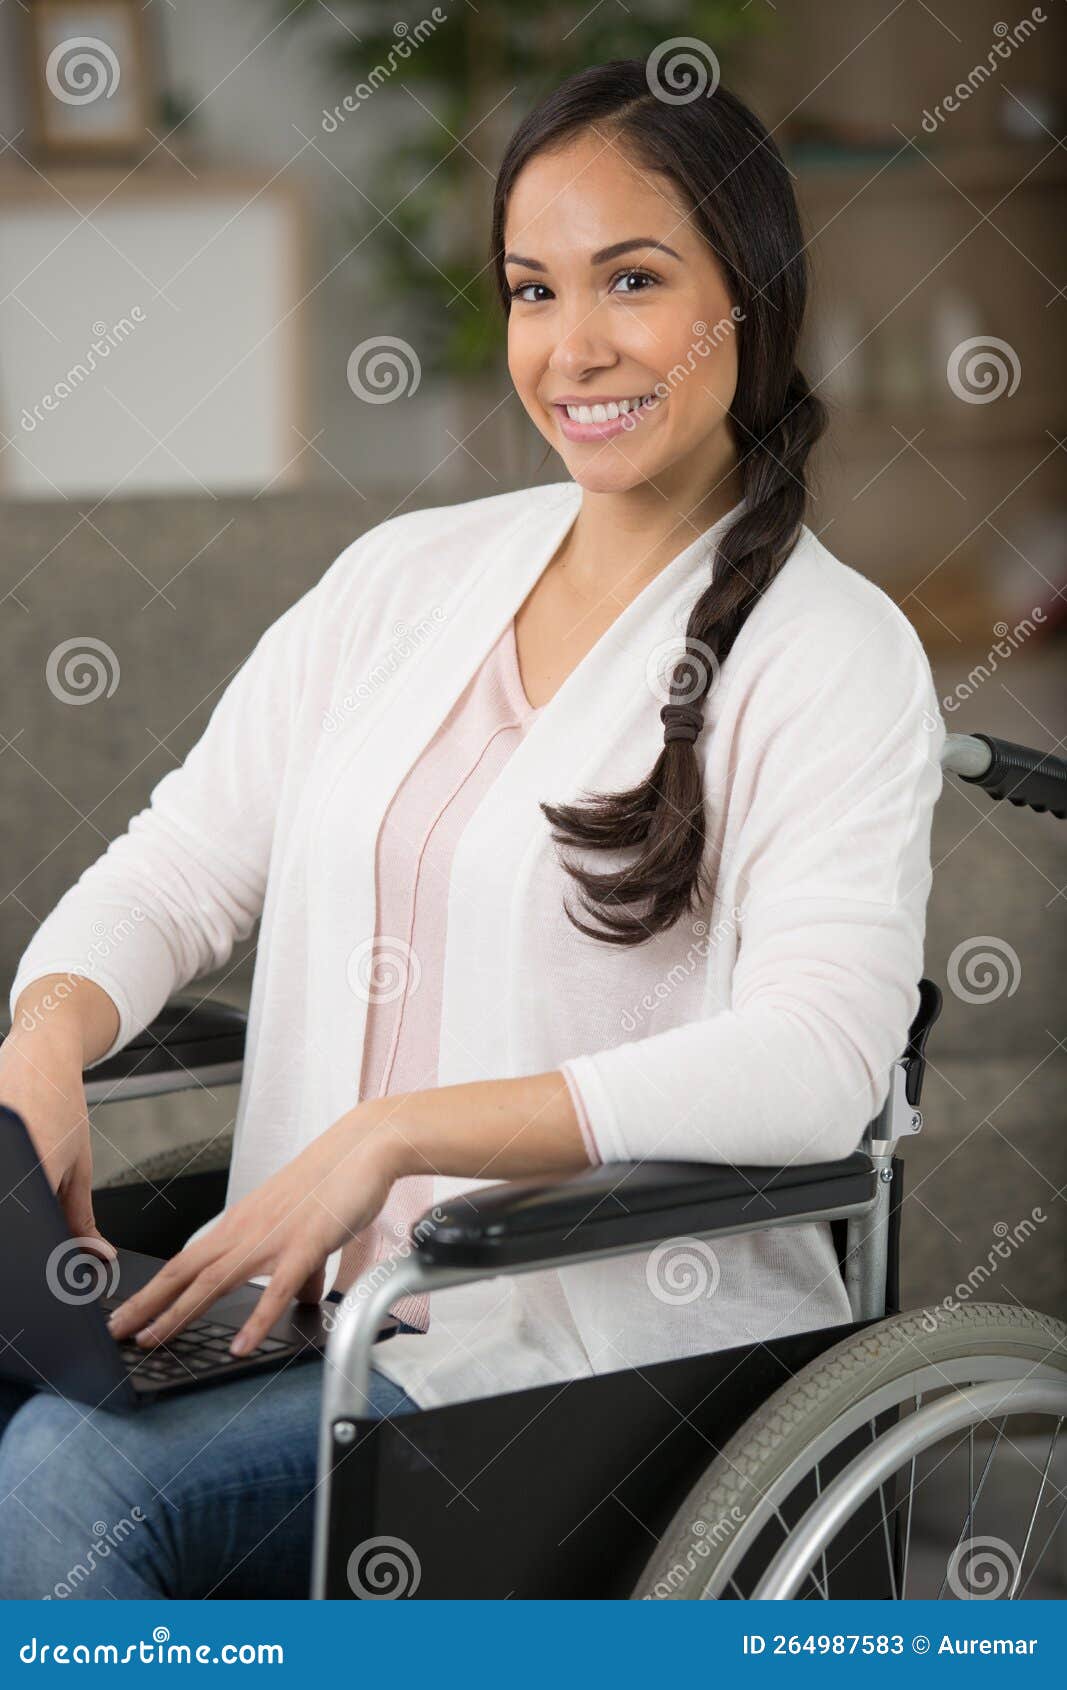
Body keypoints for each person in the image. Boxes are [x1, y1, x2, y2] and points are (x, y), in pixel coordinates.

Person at [0, 59, 943, 1598]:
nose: (575, 347)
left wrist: (400, 1133)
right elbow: (180, 861)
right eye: (533, 290)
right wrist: (46, 1033)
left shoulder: (832, 653)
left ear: (750, 300)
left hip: (583, 1357)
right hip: (303, 1318)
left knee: (68, 1484)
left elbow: (820, 1058)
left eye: (633, 280)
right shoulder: (403, 578)